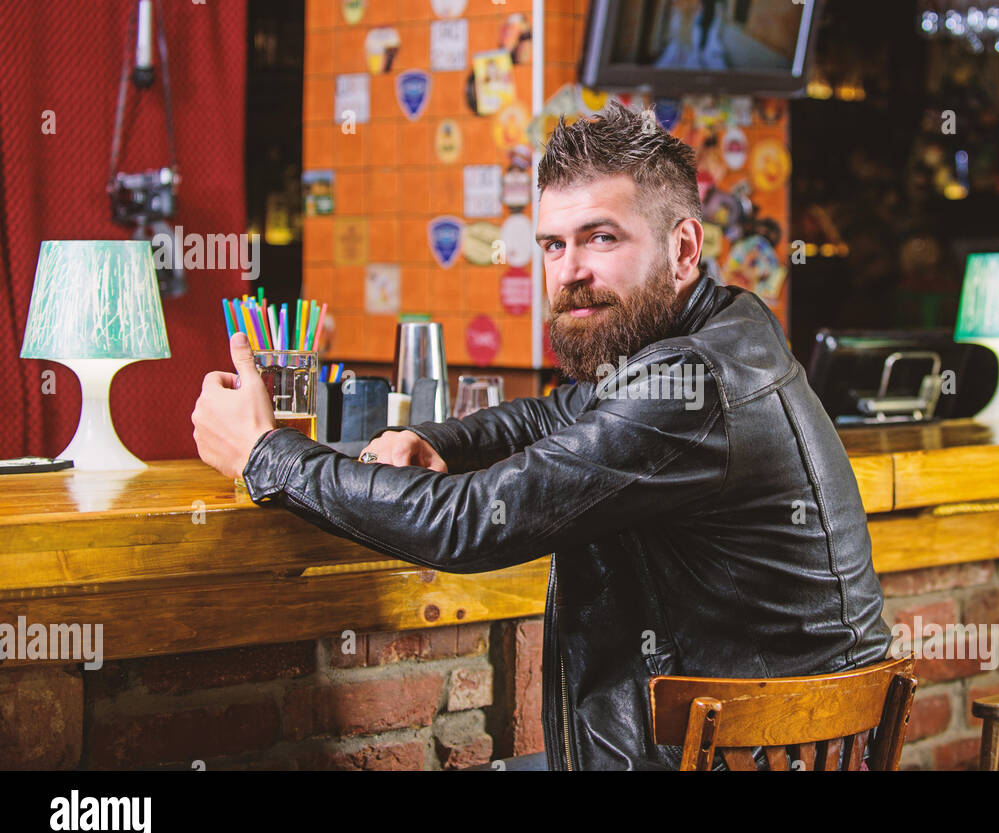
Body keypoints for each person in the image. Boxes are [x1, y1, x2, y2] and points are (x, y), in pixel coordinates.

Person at [191, 99, 892, 771]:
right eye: (554, 244)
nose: (571, 273)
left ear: (684, 251)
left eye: (602, 237)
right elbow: (557, 414)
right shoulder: (722, 327)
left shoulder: (695, 386)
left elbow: (468, 525)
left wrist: (266, 456)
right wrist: (440, 443)